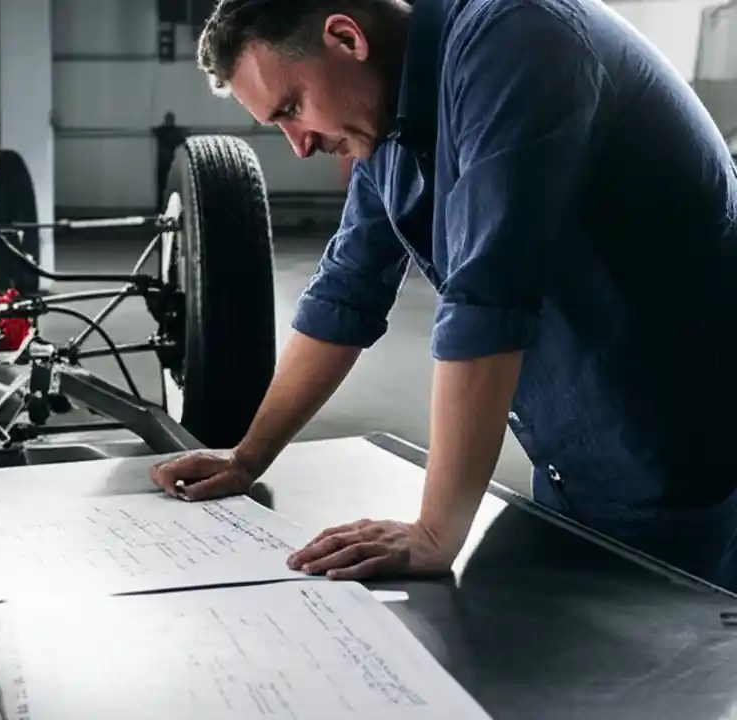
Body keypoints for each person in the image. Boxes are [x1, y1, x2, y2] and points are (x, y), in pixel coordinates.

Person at [150, 0, 737, 590]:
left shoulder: (518, 38)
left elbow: (487, 298)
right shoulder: (392, 118)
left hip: (688, 470)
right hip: (579, 467)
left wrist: (434, 533)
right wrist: (246, 457)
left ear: (346, 38)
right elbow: (346, 289)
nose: (299, 144)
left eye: (293, 107)